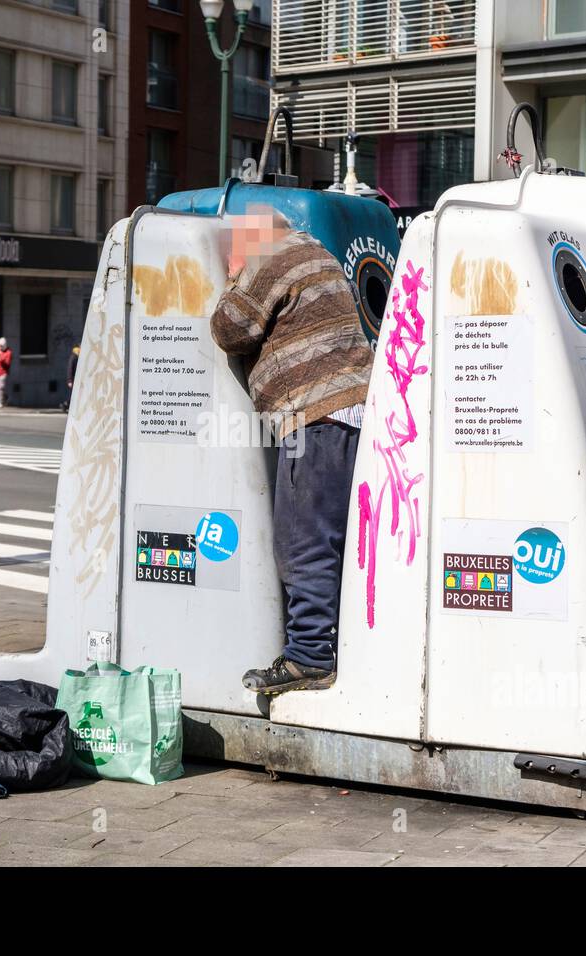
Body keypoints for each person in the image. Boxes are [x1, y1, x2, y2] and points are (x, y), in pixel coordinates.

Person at [210, 207, 373, 695]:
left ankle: (308, 657)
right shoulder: (316, 252)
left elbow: (229, 327)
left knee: (301, 542)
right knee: (331, 538)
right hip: (348, 413)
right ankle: (329, 646)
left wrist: (235, 279)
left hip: (315, 414)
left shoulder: (272, 256)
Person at [62, 345, 80, 412]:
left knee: (74, 395)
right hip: (73, 380)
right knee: (73, 395)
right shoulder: (74, 357)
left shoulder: (77, 357)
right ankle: (65, 405)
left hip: (76, 380)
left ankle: (66, 405)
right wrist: (69, 380)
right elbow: (70, 369)